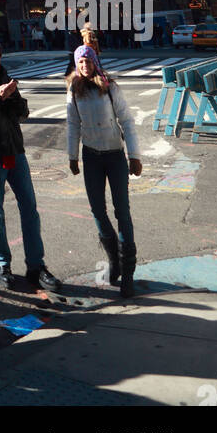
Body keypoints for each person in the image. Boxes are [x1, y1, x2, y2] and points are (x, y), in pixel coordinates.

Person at [0, 36, 62, 293]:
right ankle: (3, 265)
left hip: (14, 149)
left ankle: (36, 266)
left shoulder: (5, 75)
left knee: (29, 207)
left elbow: (22, 112)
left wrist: (15, 98)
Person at [67, 44, 142, 298]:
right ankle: (114, 260)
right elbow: (72, 124)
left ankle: (128, 274)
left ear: (94, 62)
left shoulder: (110, 87)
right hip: (91, 157)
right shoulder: (74, 90)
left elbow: (127, 120)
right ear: (76, 65)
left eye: (88, 61)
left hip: (114, 156)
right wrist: (72, 156)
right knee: (98, 210)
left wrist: (134, 156)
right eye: (80, 62)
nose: (84, 66)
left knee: (122, 210)